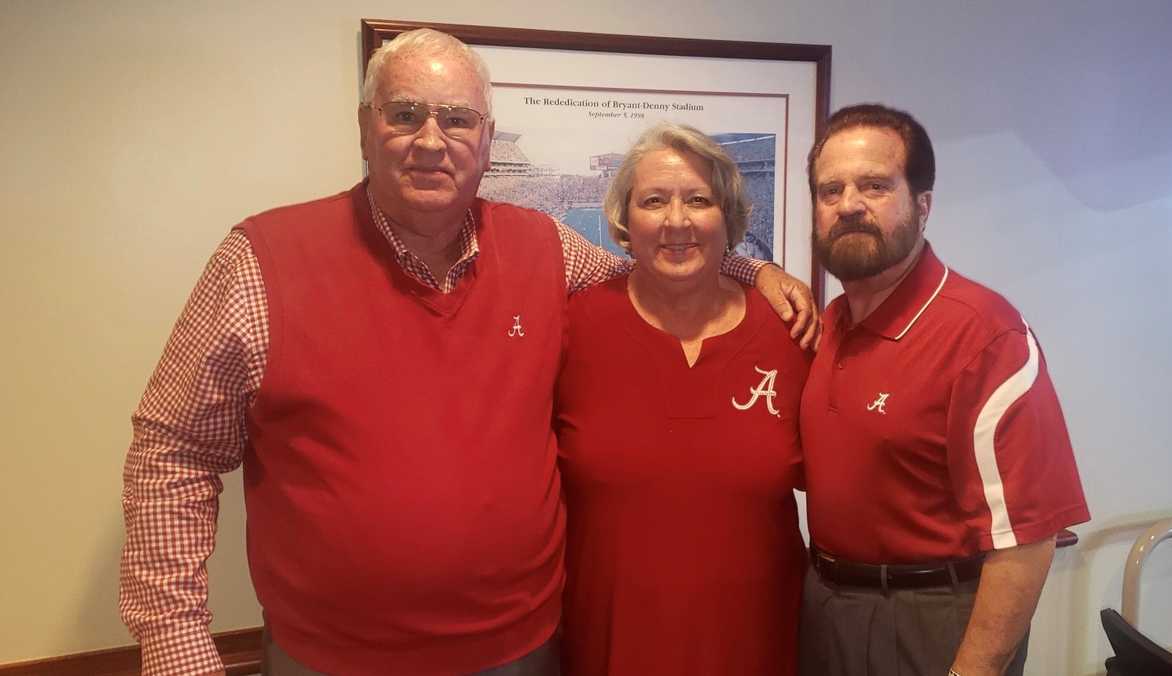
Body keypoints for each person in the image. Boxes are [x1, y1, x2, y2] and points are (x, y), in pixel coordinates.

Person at [118, 29, 817, 676]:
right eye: (405, 115)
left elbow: (662, 266)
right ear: (366, 128)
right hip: (332, 659)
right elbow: (173, 450)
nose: (431, 140)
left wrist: (756, 271)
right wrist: (175, 642)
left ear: (485, 140)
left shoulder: (543, 250)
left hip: (523, 650)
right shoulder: (261, 262)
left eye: (456, 120)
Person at [797, 103, 1090, 676]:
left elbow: (1027, 540)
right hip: (827, 604)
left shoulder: (985, 336)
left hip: (933, 619)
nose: (849, 204)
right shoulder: (828, 326)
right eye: (830, 191)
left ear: (923, 205)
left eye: (875, 185)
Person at [554, 122, 813, 675]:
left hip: (758, 648)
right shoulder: (573, 327)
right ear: (625, 223)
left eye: (699, 200)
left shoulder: (790, 331)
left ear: (729, 219)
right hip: (606, 647)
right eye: (653, 201)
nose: (677, 221)